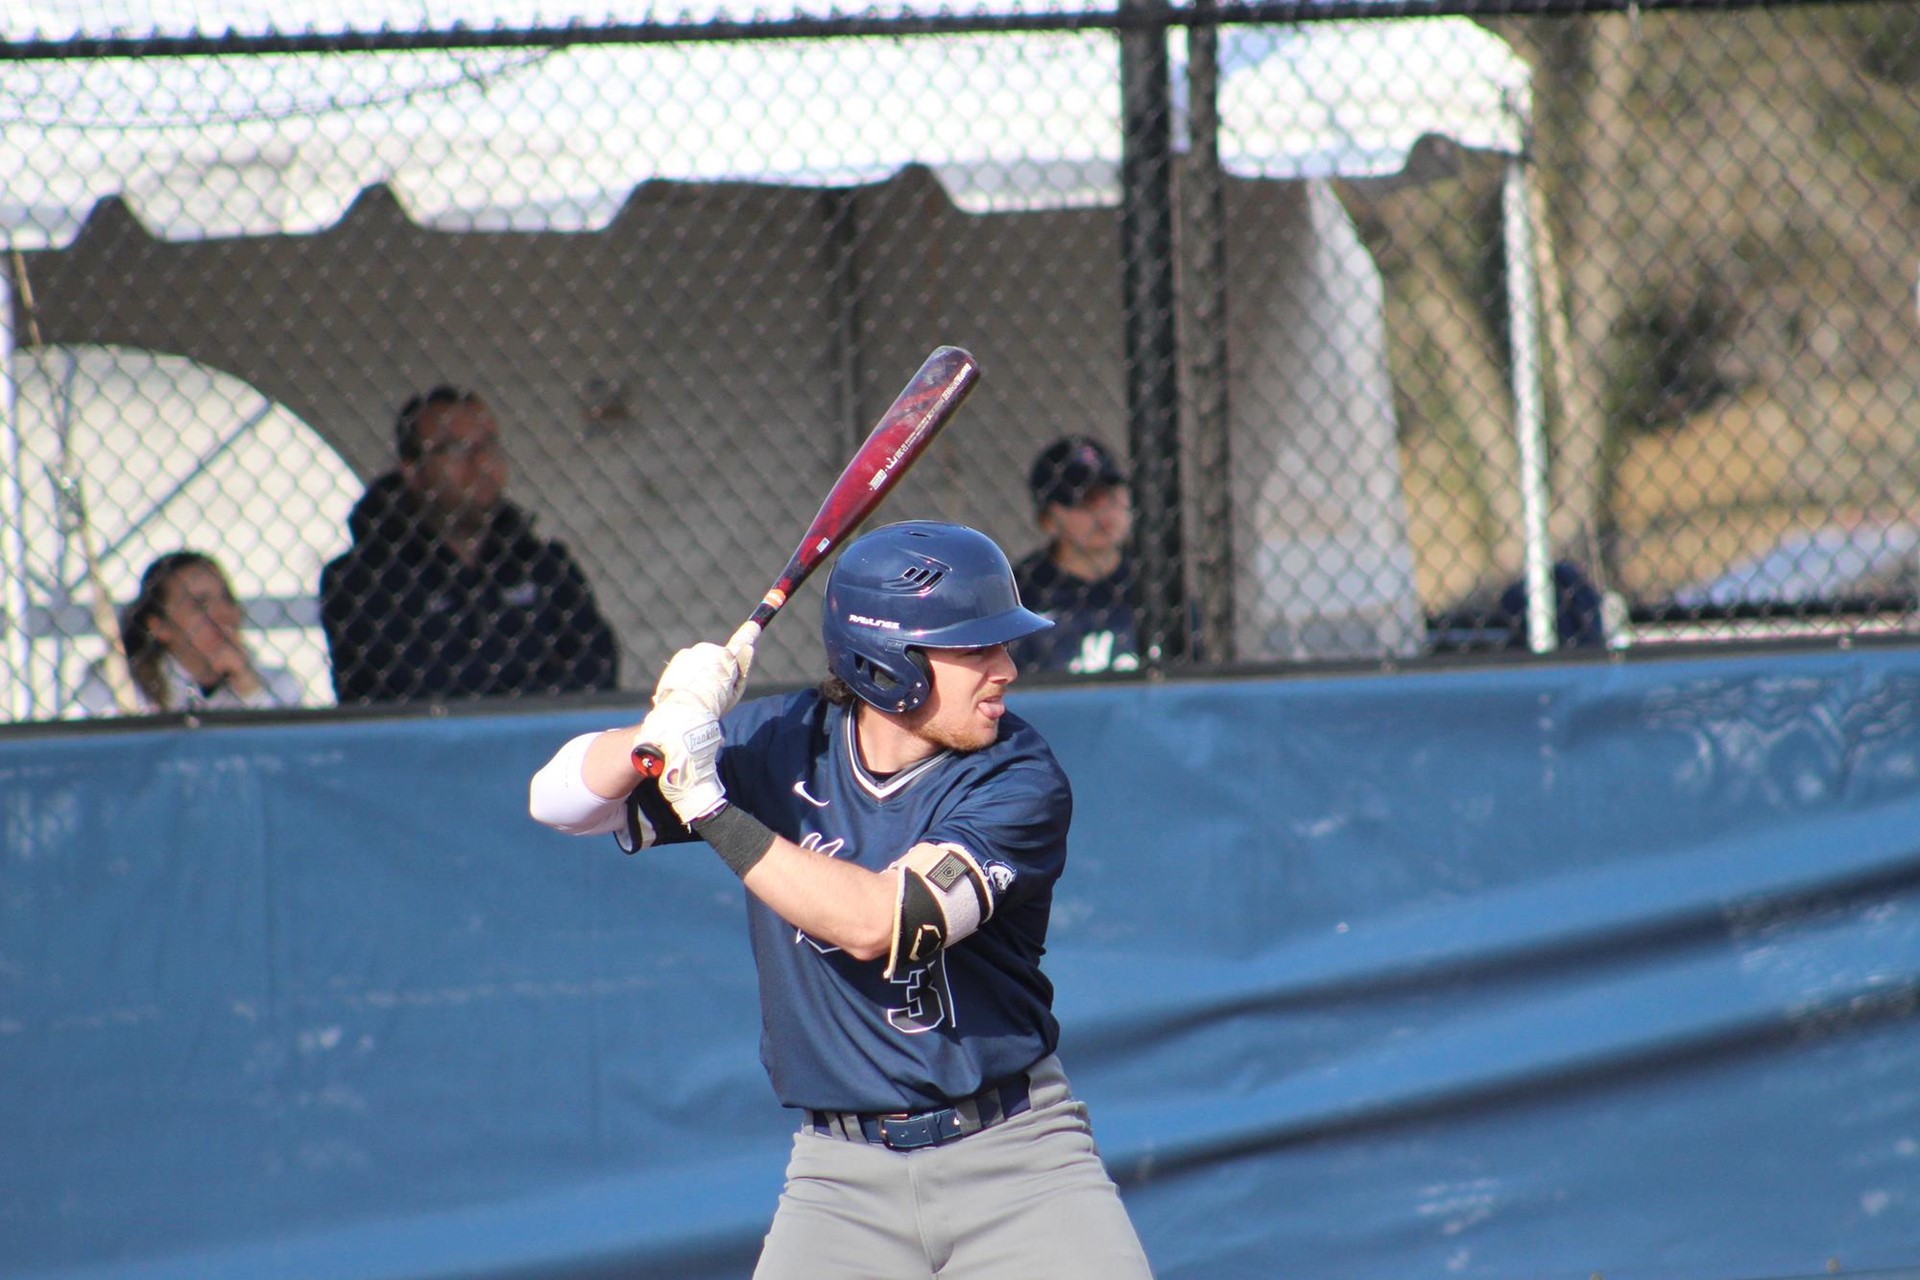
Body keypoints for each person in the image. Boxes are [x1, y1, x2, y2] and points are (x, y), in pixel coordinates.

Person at [528, 520, 1153, 1280]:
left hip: (1018, 1160)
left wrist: (709, 808)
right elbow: (557, 803)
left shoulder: (1018, 777)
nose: (1008, 669)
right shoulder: (786, 740)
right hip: (840, 1179)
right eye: (976, 648)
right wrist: (654, 734)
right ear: (890, 664)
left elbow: (883, 923)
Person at [319, 385, 620, 703]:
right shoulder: (361, 581)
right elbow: (396, 693)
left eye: (487, 445)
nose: (479, 462)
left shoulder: (545, 566)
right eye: (454, 449)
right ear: (412, 470)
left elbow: (596, 670)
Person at [76, 550, 304, 716]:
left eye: (227, 599)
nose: (223, 615)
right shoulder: (119, 685)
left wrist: (250, 692)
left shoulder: (276, 684)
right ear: (160, 627)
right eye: (199, 605)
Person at [1010, 435, 1141, 675]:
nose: (1102, 510)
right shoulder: (1021, 596)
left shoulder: (1155, 582)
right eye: (1082, 500)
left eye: (1109, 493)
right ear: (1047, 520)